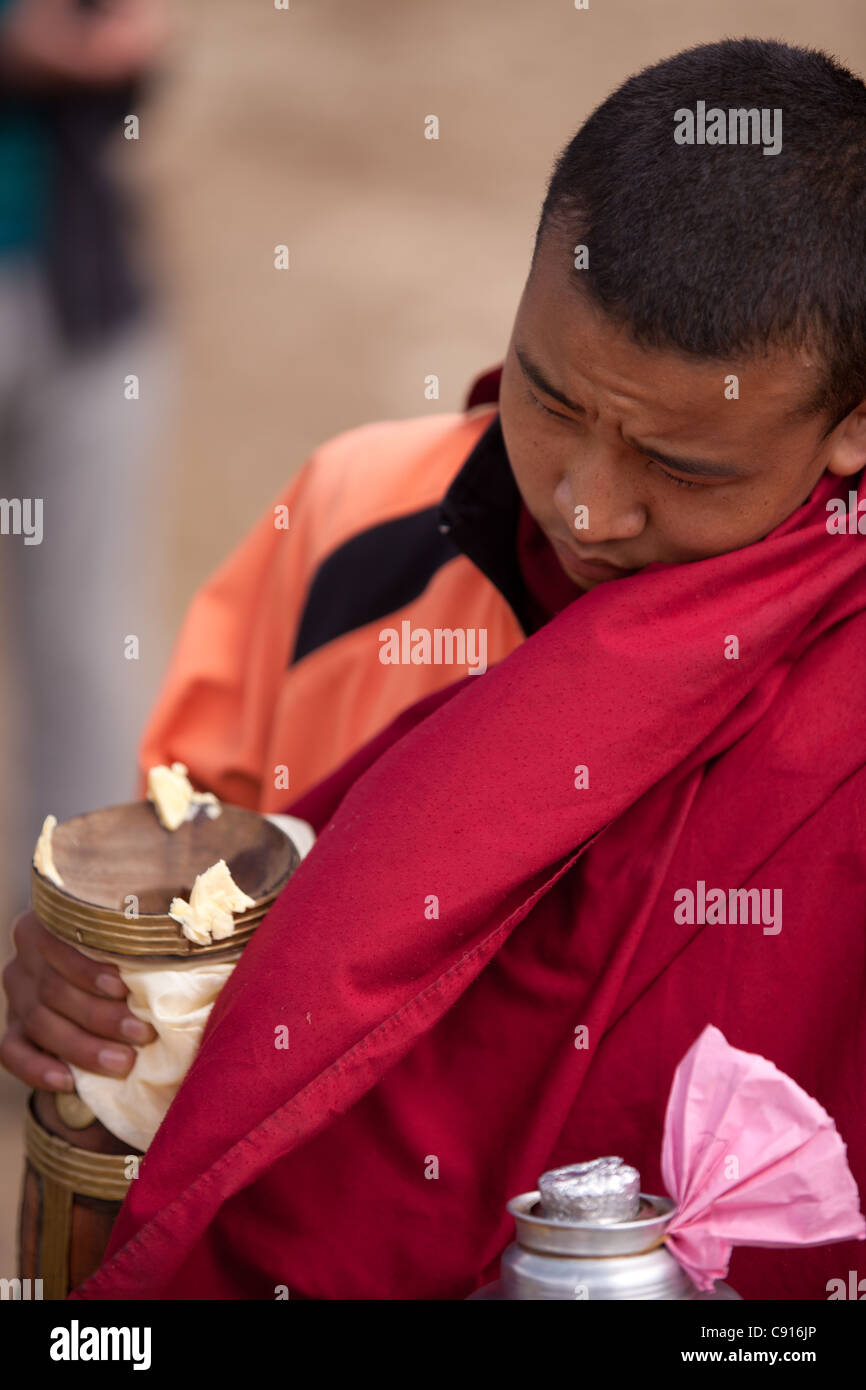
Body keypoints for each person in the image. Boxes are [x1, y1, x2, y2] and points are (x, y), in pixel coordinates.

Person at [5, 37, 866, 1300]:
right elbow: (218, 965)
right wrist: (98, 993)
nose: (584, 507)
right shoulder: (364, 532)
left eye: (683, 471)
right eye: (546, 398)